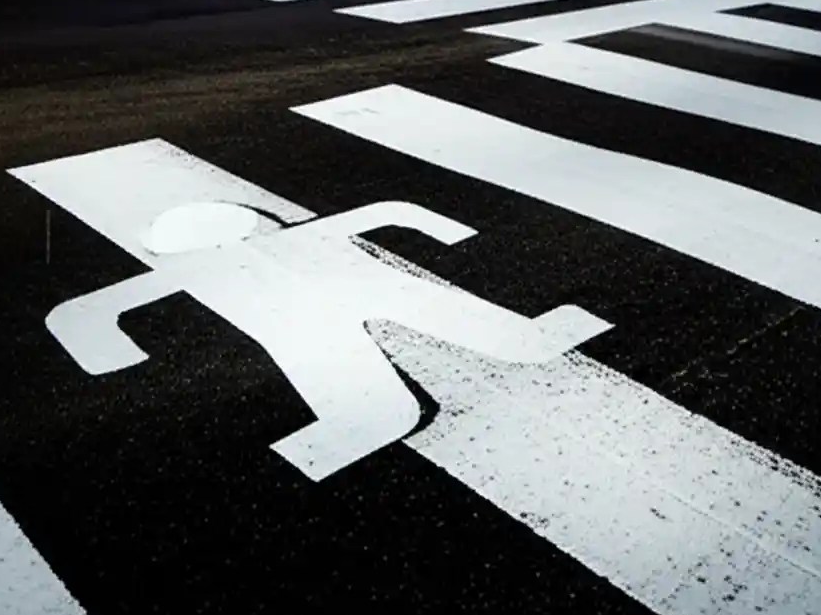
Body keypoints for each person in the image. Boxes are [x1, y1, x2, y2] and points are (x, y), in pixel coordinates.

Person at [45, 200, 612, 481]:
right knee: (488, 332)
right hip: (337, 303)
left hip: (297, 319)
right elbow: (389, 211)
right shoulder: (283, 242)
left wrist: (113, 355)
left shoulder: (182, 272)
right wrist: (445, 230)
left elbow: (86, 311)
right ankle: (541, 336)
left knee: (357, 386)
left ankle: (339, 437)